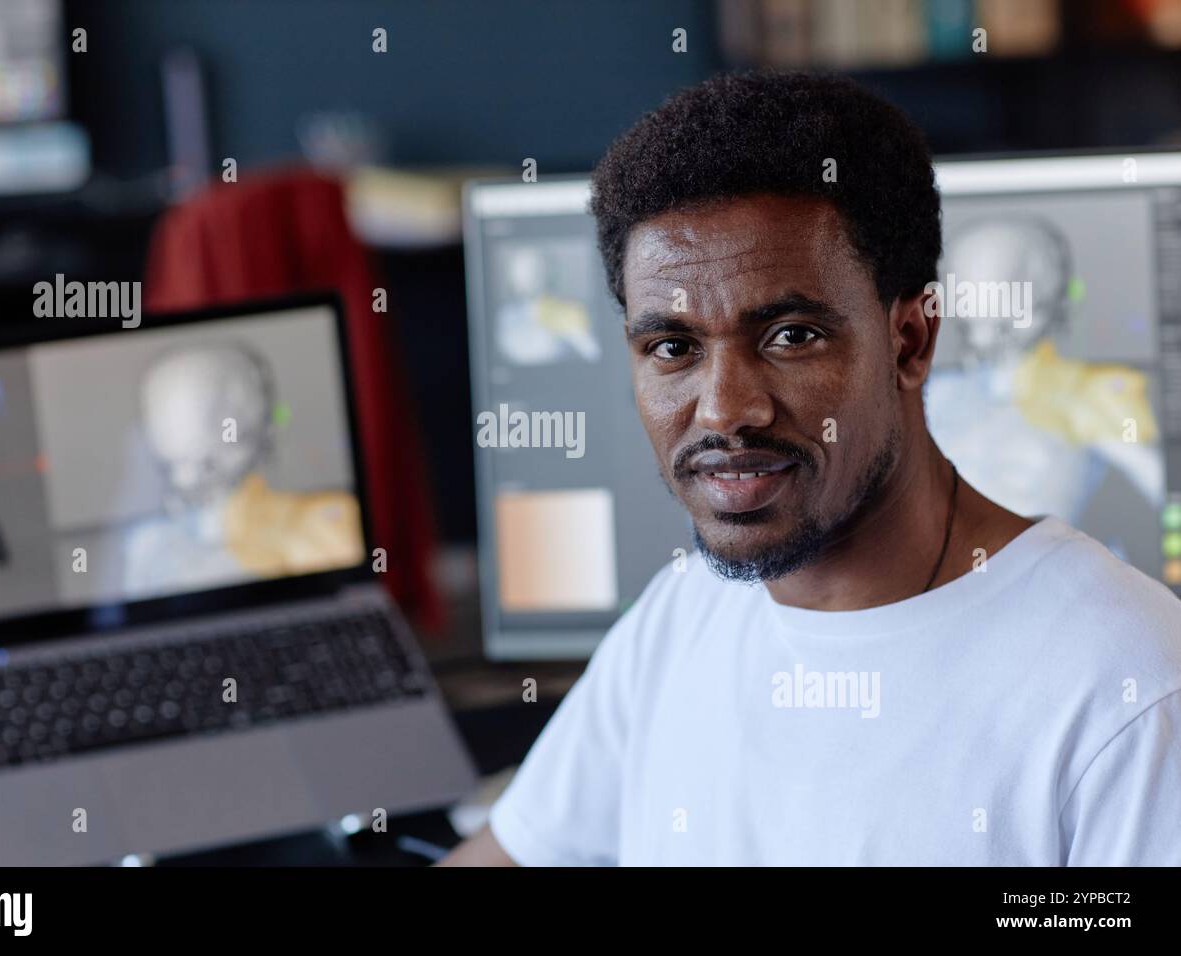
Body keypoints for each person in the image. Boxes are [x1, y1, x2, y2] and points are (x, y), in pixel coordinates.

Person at [440, 71, 1181, 866]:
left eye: (790, 336)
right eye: (673, 348)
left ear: (910, 342)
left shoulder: (1128, 689)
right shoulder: (681, 616)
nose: (724, 410)